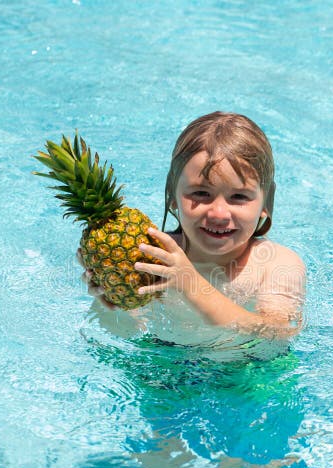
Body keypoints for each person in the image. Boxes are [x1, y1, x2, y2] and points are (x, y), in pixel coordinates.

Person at [82, 111, 306, 341]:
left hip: (246, 371)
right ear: (173, 196)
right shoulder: (155, 258)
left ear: (266, 202)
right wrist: (110, 302)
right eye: (201, 193)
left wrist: (192, 285)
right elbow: (129, 333)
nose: (219, 213)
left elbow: (277, 334)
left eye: (239, 196)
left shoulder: (276, 264)